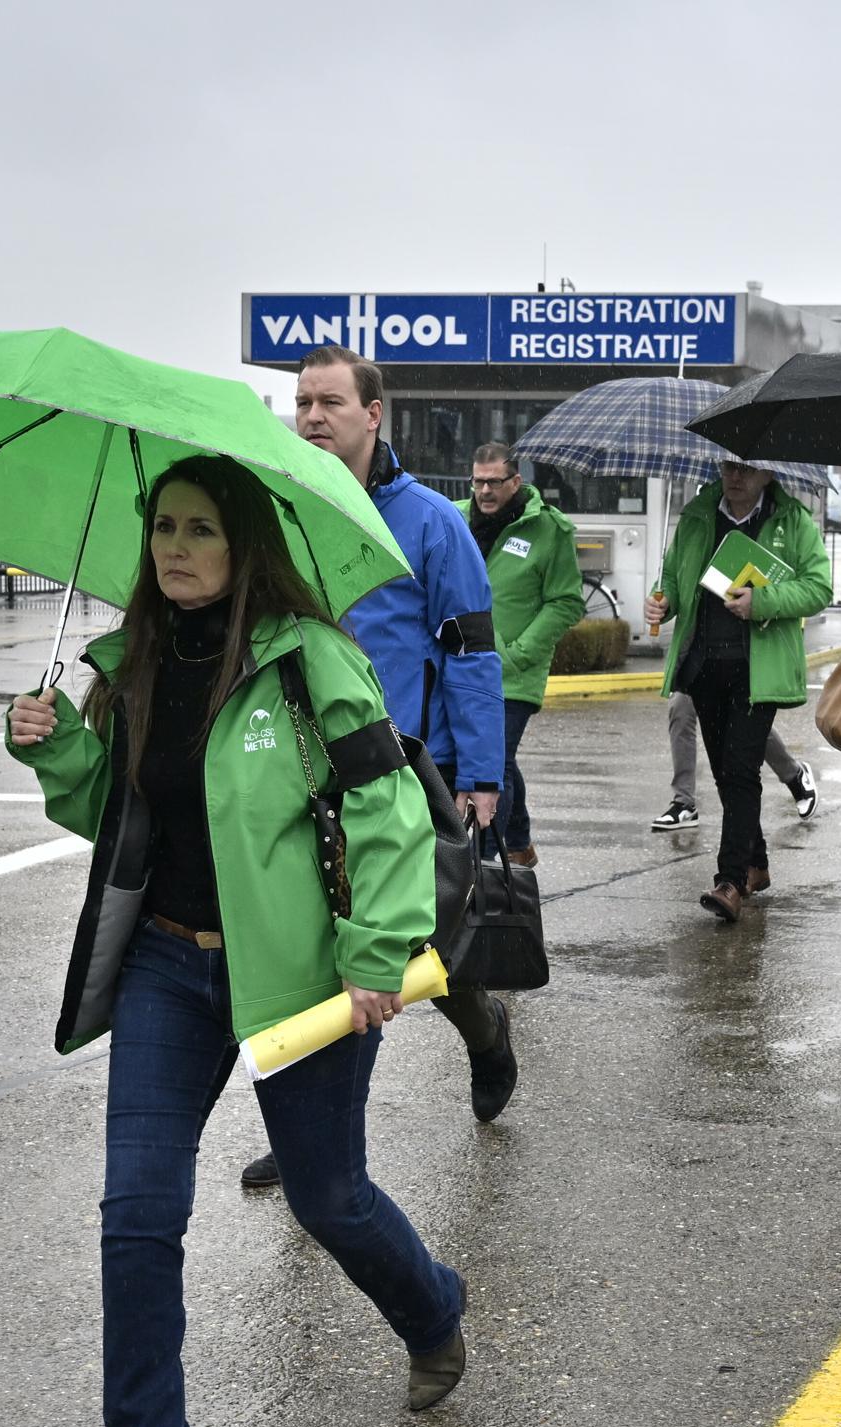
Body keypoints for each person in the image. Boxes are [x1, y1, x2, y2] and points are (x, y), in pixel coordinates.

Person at [5, 454, 468, 1427]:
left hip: (303, 973)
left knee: (328, 1196)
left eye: (201, 528)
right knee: (137, 1211)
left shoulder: (315, 663)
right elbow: (115, 814)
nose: (176, 547)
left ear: (244, 542)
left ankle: (433, 1310)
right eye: (163, 526)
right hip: (169, 967)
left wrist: (374, 954)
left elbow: (386, 806)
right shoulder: (135, 664)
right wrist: (58, 745)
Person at [239, 347, 513, 1196]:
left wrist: (480, 775)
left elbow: (472, 655)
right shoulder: (278, 512)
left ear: (373, 415)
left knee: (409, 956)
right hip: (297, 776)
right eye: (301, 402)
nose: (312, 416)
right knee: (313, 964)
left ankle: (484, 1026)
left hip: (397, 778)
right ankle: (309, 1146)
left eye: (329, 402)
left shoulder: (431, 522)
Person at [643, 461, 831, 920]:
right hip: (705, 666)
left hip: (757, 670)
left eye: (747, 470)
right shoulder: (697, 515)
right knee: (727, 773)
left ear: (768, 476)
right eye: (729, 467)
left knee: (742, 771)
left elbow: (819, 588)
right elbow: (673, 577)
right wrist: (660, 599)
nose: (736, 477)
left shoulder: (792, 522)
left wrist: (762, 601)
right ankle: (758, 864)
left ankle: (730, 881)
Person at [458, 442, 584, 865]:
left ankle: (488, 863)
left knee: (493, 760)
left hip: (514, 672)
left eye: (495, 482)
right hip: (462, 666)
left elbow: (566, 602)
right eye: (478, 481)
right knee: (500, 758)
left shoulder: (549, 529)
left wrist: (517, 653)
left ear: (516, 481)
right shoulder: (454, 519)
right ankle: (519, 844)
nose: (485, 491)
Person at [655, 697, 818, 830]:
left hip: (730, 660)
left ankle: (794, 774)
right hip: (694, 658)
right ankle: (684, 802)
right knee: (680, 708)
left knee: (744, 718)